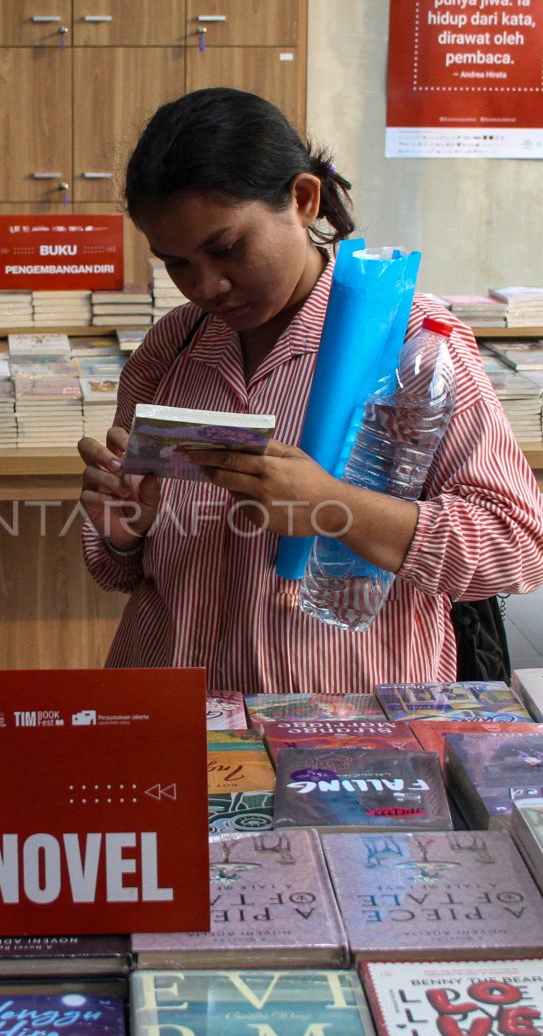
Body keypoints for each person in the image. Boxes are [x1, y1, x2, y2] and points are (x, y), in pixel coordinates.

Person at [78, 87, 543, 694]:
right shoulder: (174, 347)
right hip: (175, 708)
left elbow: (516, 544)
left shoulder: (410, 345)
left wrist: (335, 506)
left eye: (226, 249)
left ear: (302, 200)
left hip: (339, 726)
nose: (206, 286)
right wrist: (125, 531)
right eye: (176, 264)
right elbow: (121, 571)